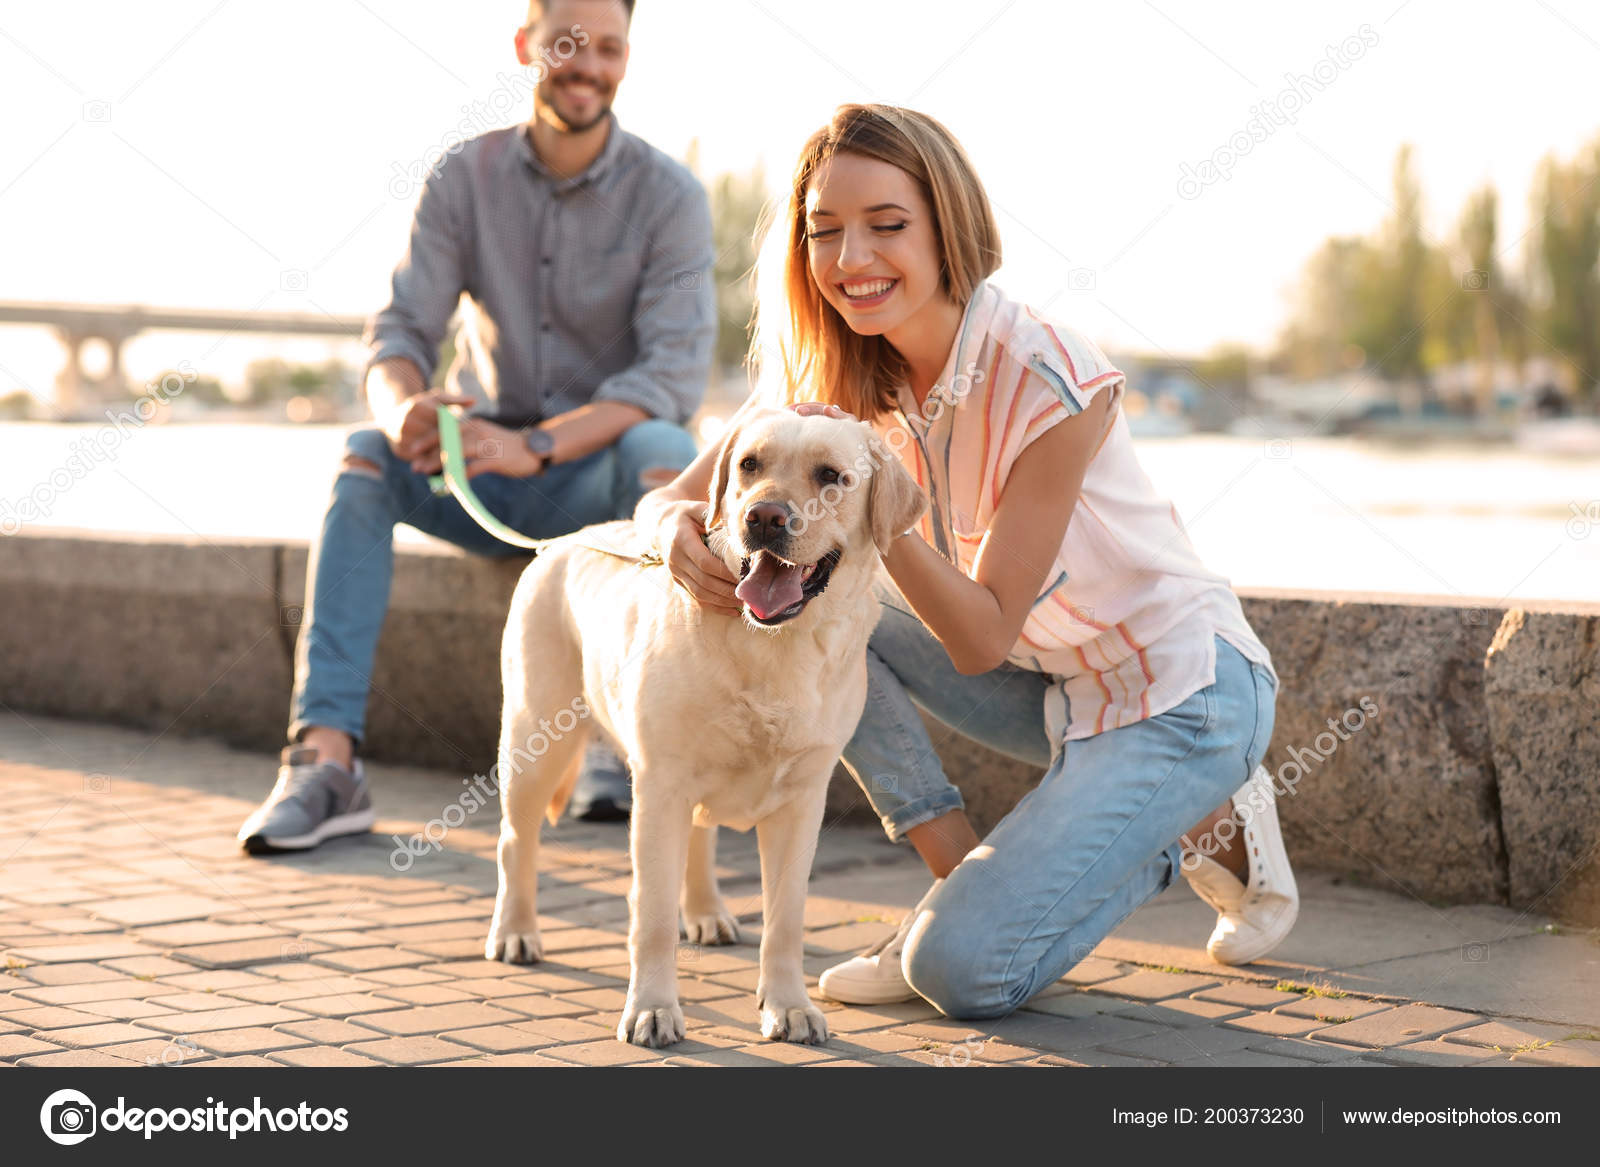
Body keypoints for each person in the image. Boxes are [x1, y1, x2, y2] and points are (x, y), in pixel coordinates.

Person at [634, 104, 1297, 1019]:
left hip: (1181, 688)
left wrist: (876, 502)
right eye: (824, 233)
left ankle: (1199, 809)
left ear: (949, 227)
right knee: (810, 622)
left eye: (888, 226)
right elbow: (674, 497)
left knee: (962, 972)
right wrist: (669, 533)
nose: (852, 258)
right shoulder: (834, 372)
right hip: (1055, 685)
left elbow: (980, 637)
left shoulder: (1048, 376)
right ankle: (957, 882)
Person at [238, 0, 715, 853]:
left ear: (627, 58)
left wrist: (537, 446)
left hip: (598, 483)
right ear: (526, 45)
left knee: (665, 450)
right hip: (479, 472)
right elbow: (399, 334)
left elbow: (669, 375)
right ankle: (326, 761)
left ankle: (637, 738)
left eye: (610, 48)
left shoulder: (670, 195)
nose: (589, 66)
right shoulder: (463, 175)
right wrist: (404, 407)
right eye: (569, 43)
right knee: (362, 457)